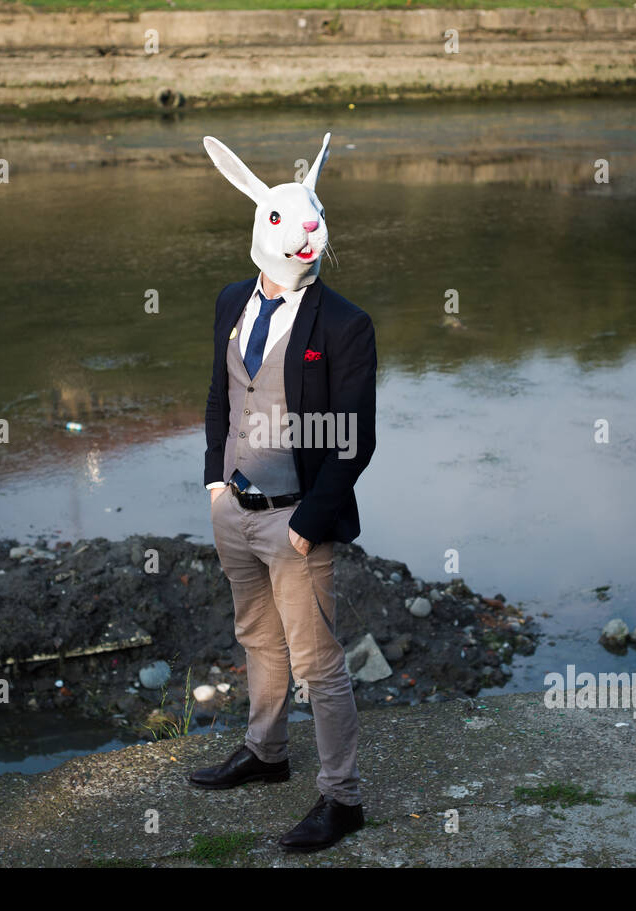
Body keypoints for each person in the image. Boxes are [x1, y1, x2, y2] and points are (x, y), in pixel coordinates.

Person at [188, 132, 377, 852]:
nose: (304, 233)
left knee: (320, 664)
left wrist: (310, 521)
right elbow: (218, 397)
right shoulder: (231, 301)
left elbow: (356, 437)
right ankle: (266, 753)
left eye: (311, 219)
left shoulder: (345, 323)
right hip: (233, 510)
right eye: (286, 220)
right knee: (257, 639)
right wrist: (213, 483)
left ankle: (343, 798)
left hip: (297, 519)